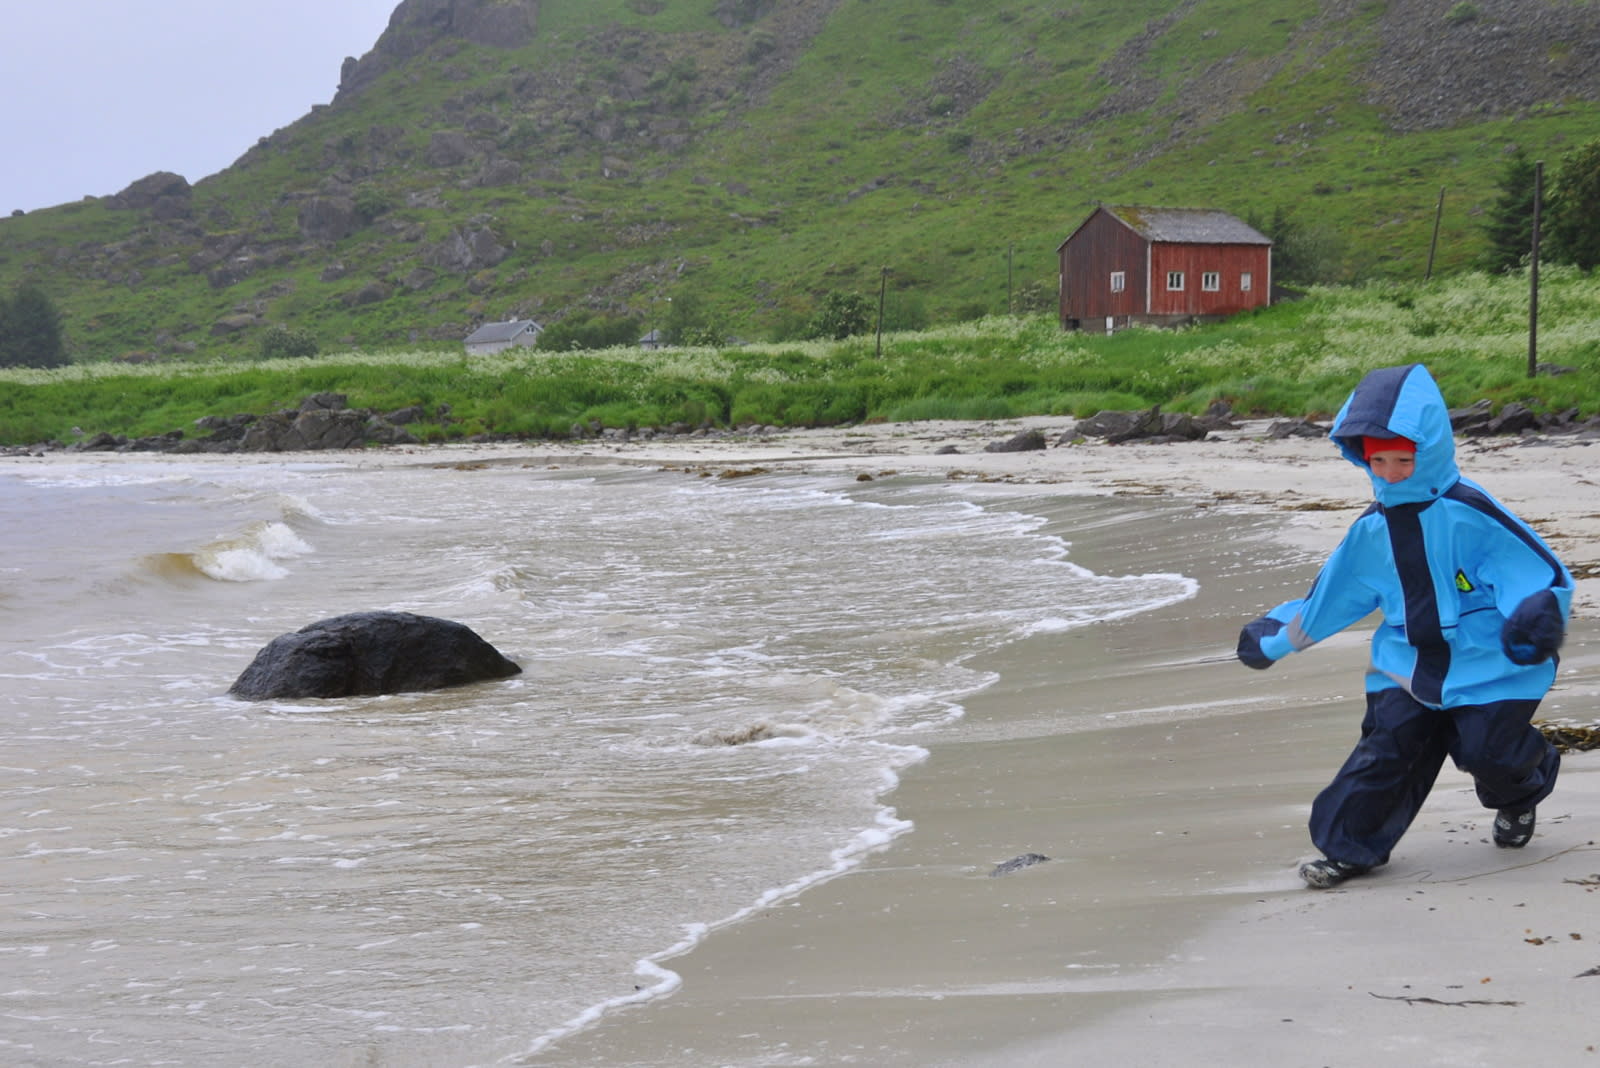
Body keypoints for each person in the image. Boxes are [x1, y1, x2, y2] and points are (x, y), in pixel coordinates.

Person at [1236, 363, 1571, 889]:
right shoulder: (1370, 531)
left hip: (1493, 667)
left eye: (1404, 460)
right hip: (1405, 666)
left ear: (1430, 451)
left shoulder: (1472, 513)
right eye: (1379, 461)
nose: (1391, 473)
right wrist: (1276, 638)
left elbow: (1529, 574)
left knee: (1489, 753)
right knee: (1384, 752)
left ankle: (1525, 786)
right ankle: (1350, 849)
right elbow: (1332, 597)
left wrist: (1533, 618)